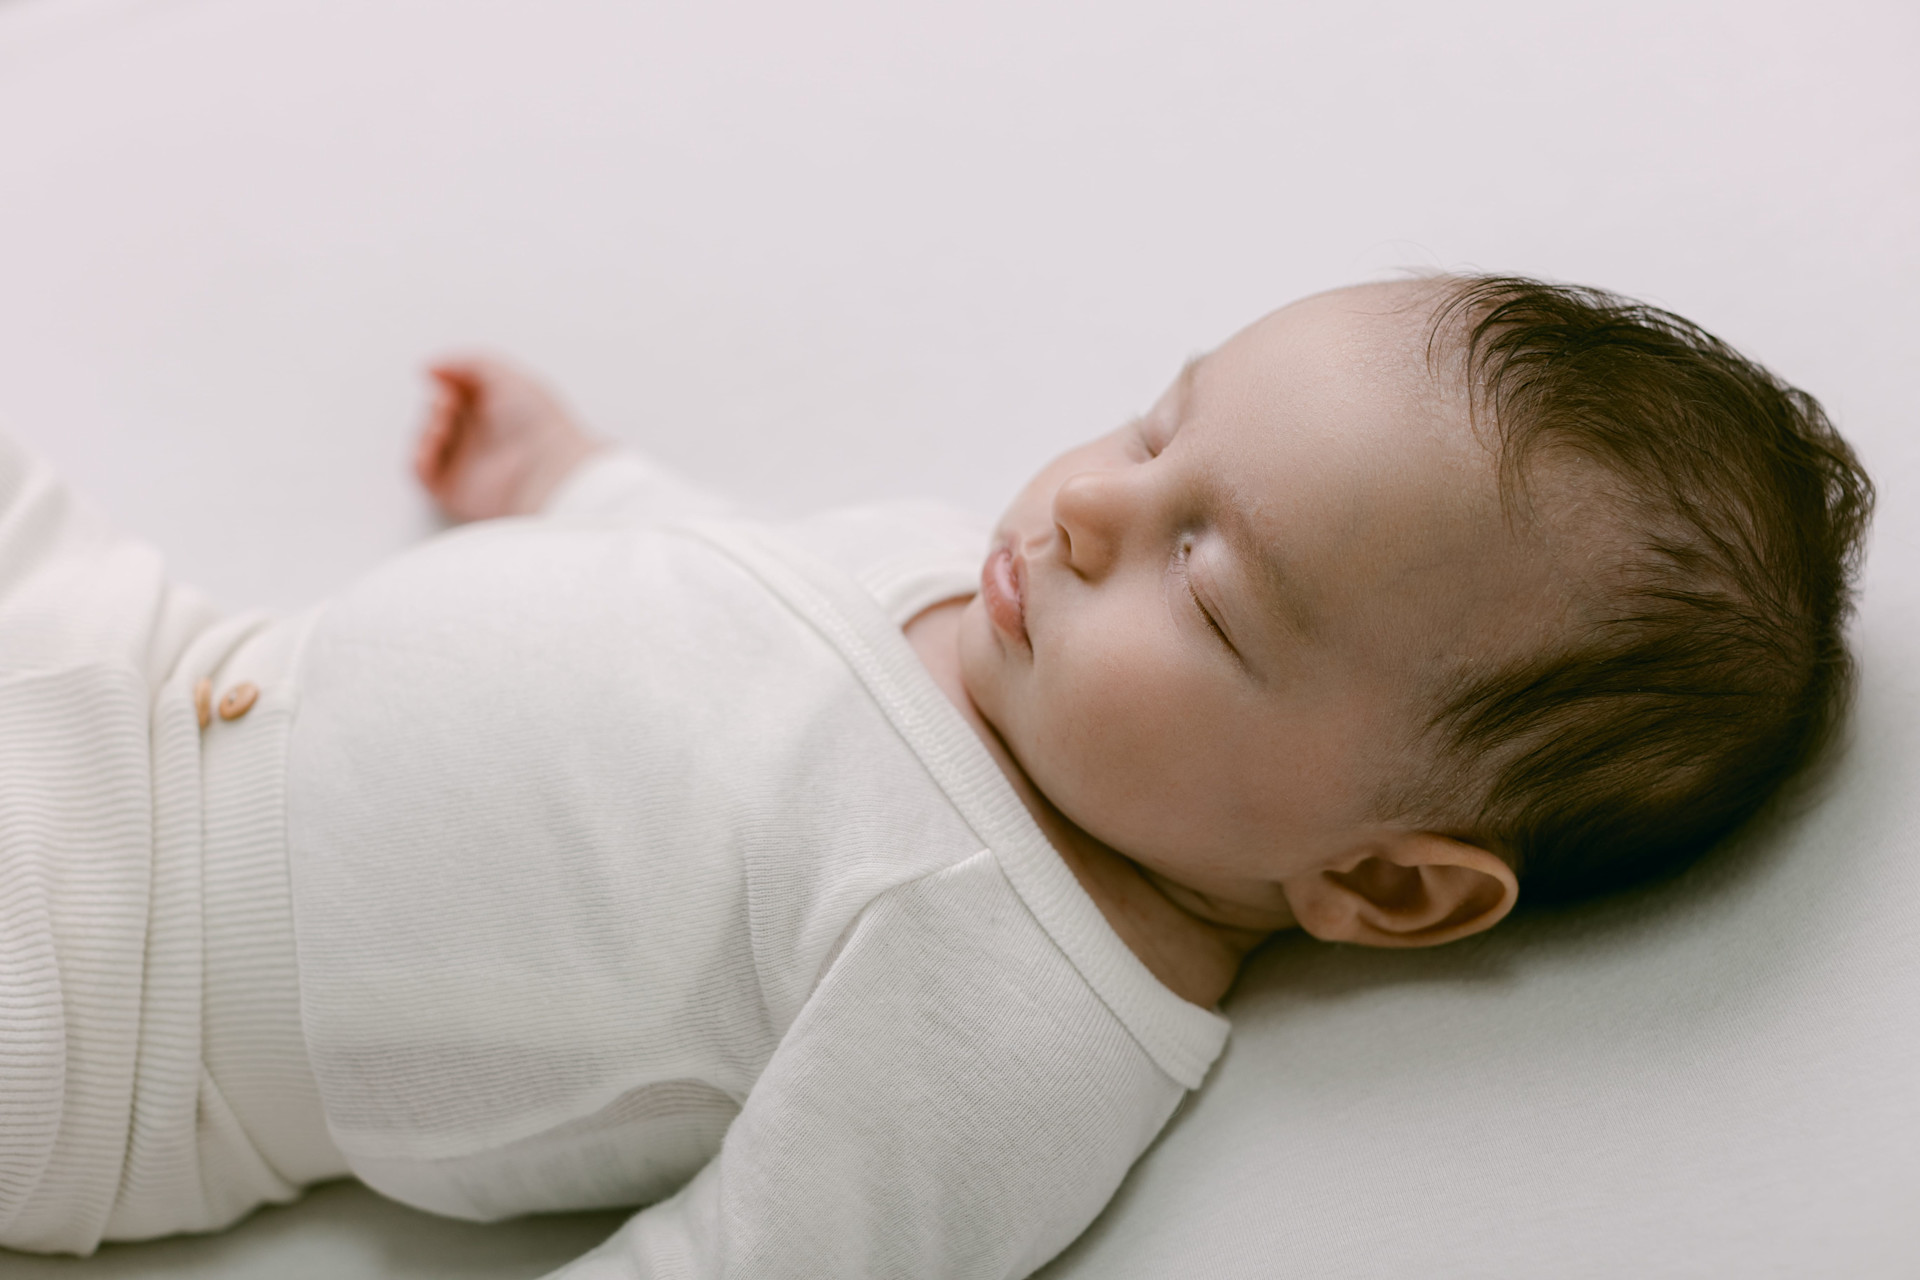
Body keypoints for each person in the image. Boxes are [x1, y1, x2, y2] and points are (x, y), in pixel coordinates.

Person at [0, 276, 1872, 1276]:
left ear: (1384, 882)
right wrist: (574, 477)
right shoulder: (988, 594)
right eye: (1157, 421)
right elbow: (721, 581)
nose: (1088, 506)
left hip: (111, 1010)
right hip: (139, 653)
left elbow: (756, 1261)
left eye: (1209, 583)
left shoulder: (1019, 1012)